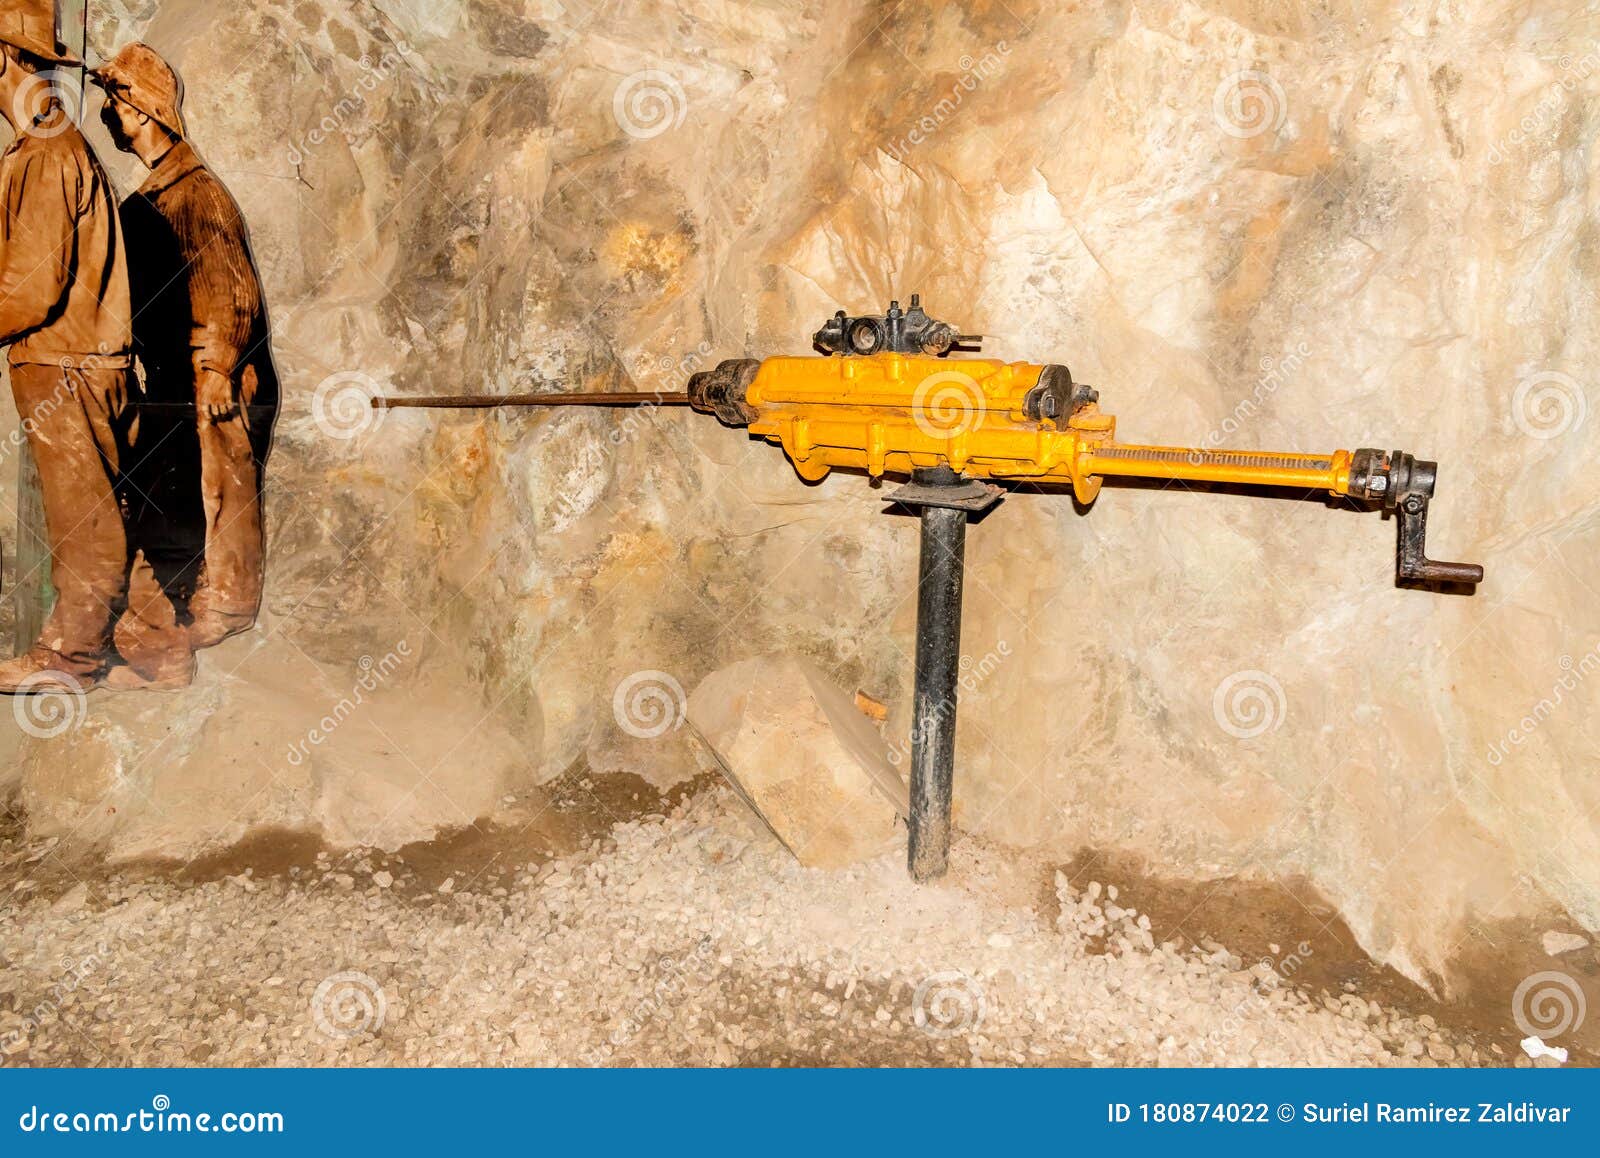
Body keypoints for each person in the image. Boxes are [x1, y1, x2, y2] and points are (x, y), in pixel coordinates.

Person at [0, 0, 190, 693]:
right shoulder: (48, 147)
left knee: (84, 521)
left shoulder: (47, 153)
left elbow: (32, 289)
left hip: (65, 365)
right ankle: (159, 651)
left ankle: (68, 660)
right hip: (81, 362)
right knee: (113, 513)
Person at [92, 42, 278, 650]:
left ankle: (227, 606)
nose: (107, 114)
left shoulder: (197, 192)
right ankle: (186, 598)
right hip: (177, 372)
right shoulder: (154, 194)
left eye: (115, 101)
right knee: (179, 486)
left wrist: (220, 366)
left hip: (214, 373)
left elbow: (230, 286)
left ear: (141, 110)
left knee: (223, 488)